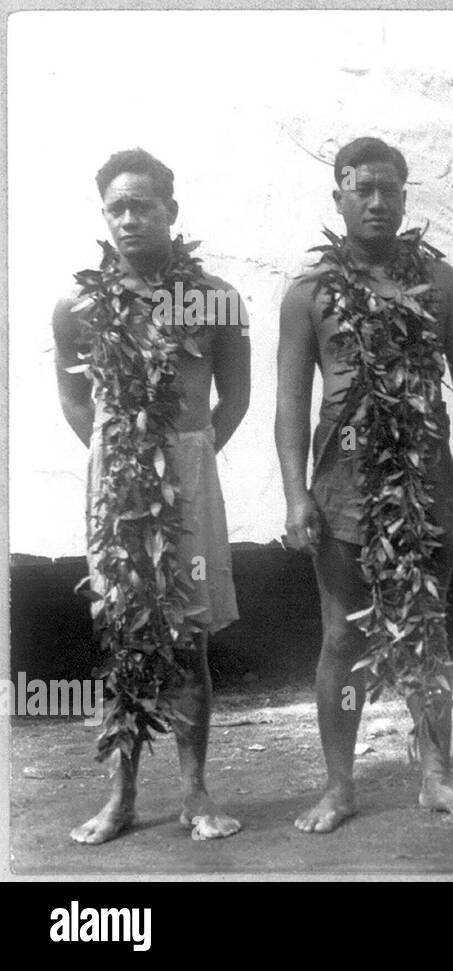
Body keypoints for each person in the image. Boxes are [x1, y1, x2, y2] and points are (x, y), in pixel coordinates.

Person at [276, 137, 453, 832]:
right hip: (343, 477)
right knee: (342, 634)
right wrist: (294, 494)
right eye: (361, 188)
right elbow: (289, 406)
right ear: (338, 195)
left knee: (428, 624)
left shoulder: (441, 281)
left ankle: (436, 776)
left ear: (405, 197)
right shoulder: (308, 293)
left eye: (389, 190)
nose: (376, 202)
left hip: (427, 472)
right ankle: (340, 785)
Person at [53, 148, 250, 843]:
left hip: (190, 478)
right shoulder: (76, 305)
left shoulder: (216, 297)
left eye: (144, 205)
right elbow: (76, 400)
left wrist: (189, 457)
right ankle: (123, 797)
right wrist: (118, 457)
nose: (130, 217)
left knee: (188, 637)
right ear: (104, 216)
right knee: (126, 637)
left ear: (172, 209)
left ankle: (196, 794)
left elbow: (237, 396)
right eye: (117, 207)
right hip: (118, 485)